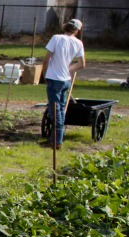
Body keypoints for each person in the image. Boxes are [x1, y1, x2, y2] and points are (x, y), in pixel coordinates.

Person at [42, 19, 86, 150]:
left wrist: (45, 76)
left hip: (54, 79)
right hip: (66, 80)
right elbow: (81, 64)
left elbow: (46, 59)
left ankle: (56, 141)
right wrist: (68, 69)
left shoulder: (56, 38)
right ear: (77, 31)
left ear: (65, 27)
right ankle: (55, 139)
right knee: (60, 109)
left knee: (54, 111)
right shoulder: (78, 43)